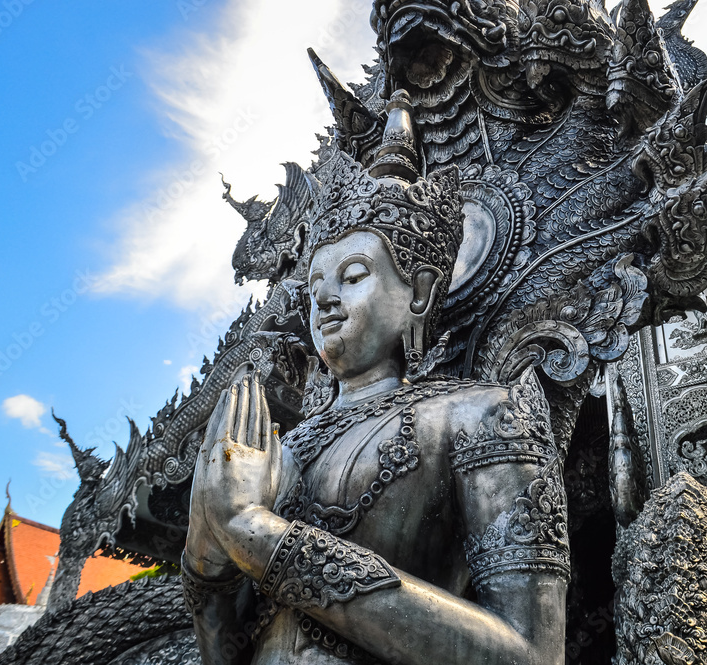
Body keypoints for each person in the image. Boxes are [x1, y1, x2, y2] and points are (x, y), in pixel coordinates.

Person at [181, 92, 570, 665]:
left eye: (353, 276)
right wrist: (206, 560)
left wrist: (253, 532)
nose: (325, 301)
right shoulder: (280, 453)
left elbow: (532, 654)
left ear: (420, 292)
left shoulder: (485, 415)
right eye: (315, 288)